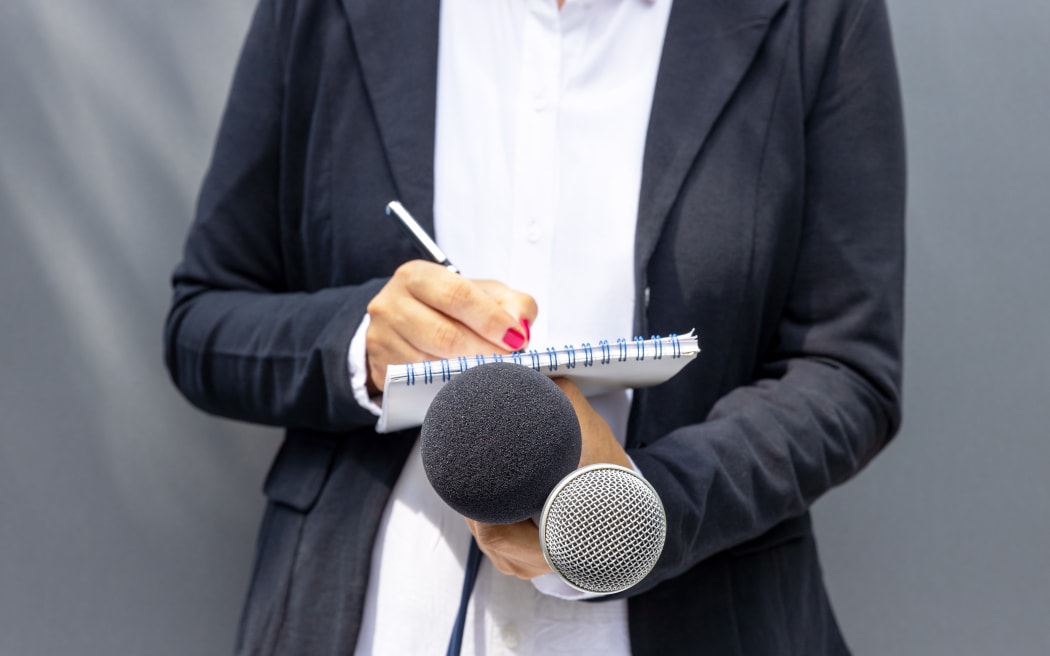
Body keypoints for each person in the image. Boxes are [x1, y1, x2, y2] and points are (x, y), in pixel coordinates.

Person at [164, 0, 906, 653]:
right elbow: (203, 322)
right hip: (375, 620)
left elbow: (846, 370)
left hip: (692, 617)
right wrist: (362, 346)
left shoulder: (816, 12)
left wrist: (635, 509)